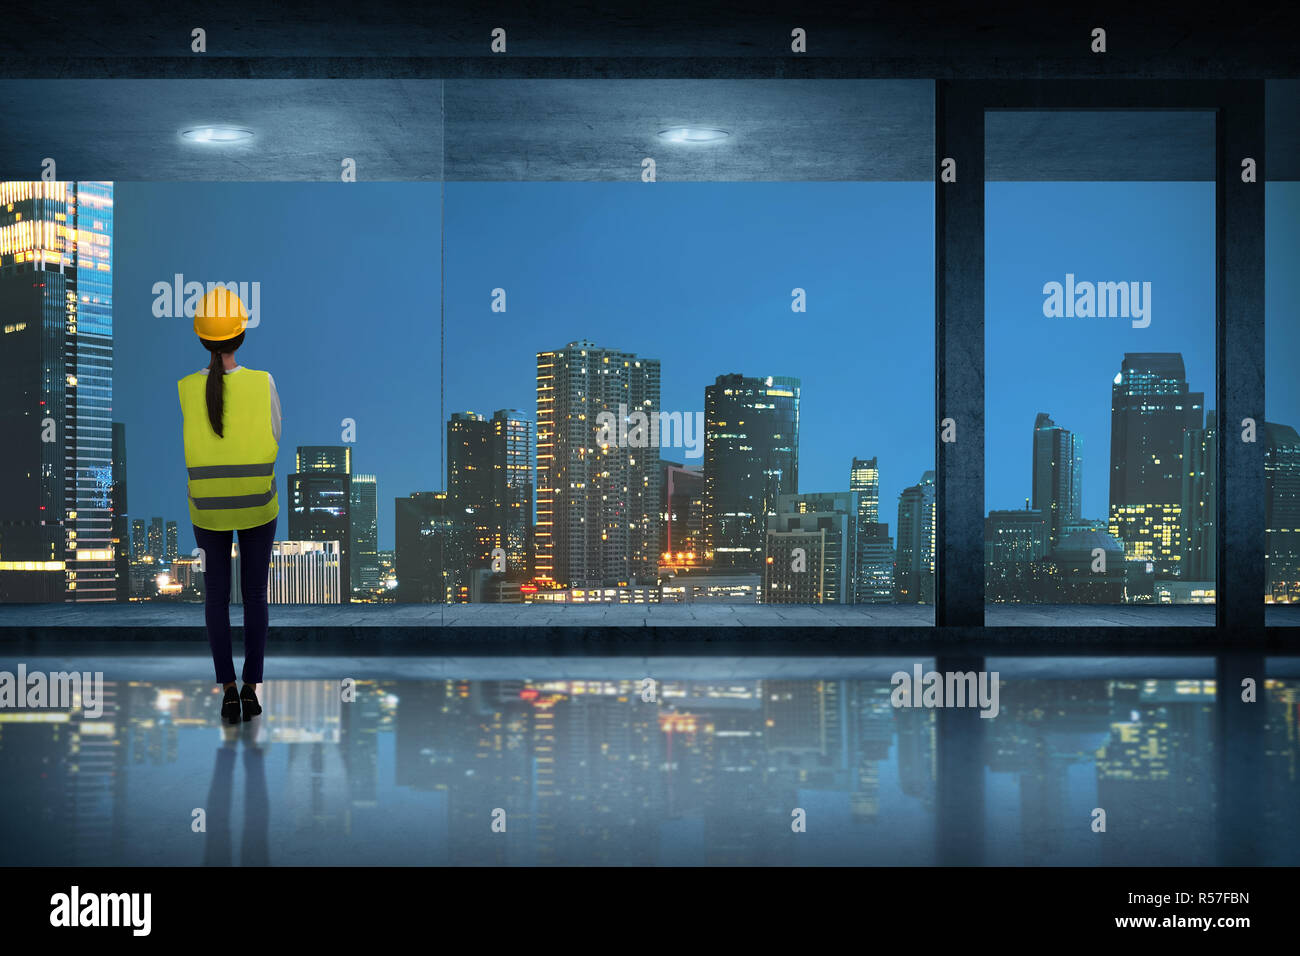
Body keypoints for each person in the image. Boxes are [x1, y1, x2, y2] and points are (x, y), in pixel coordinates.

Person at [178, 288, 282, 724]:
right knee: (255, 594)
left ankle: (226, 690)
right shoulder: (264, 382)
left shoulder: (186, 388)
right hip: (258, 505)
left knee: (216, 598)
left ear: (202, 339)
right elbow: (275, 434)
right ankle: (251, 689)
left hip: (208, 511)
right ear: (241, 335)